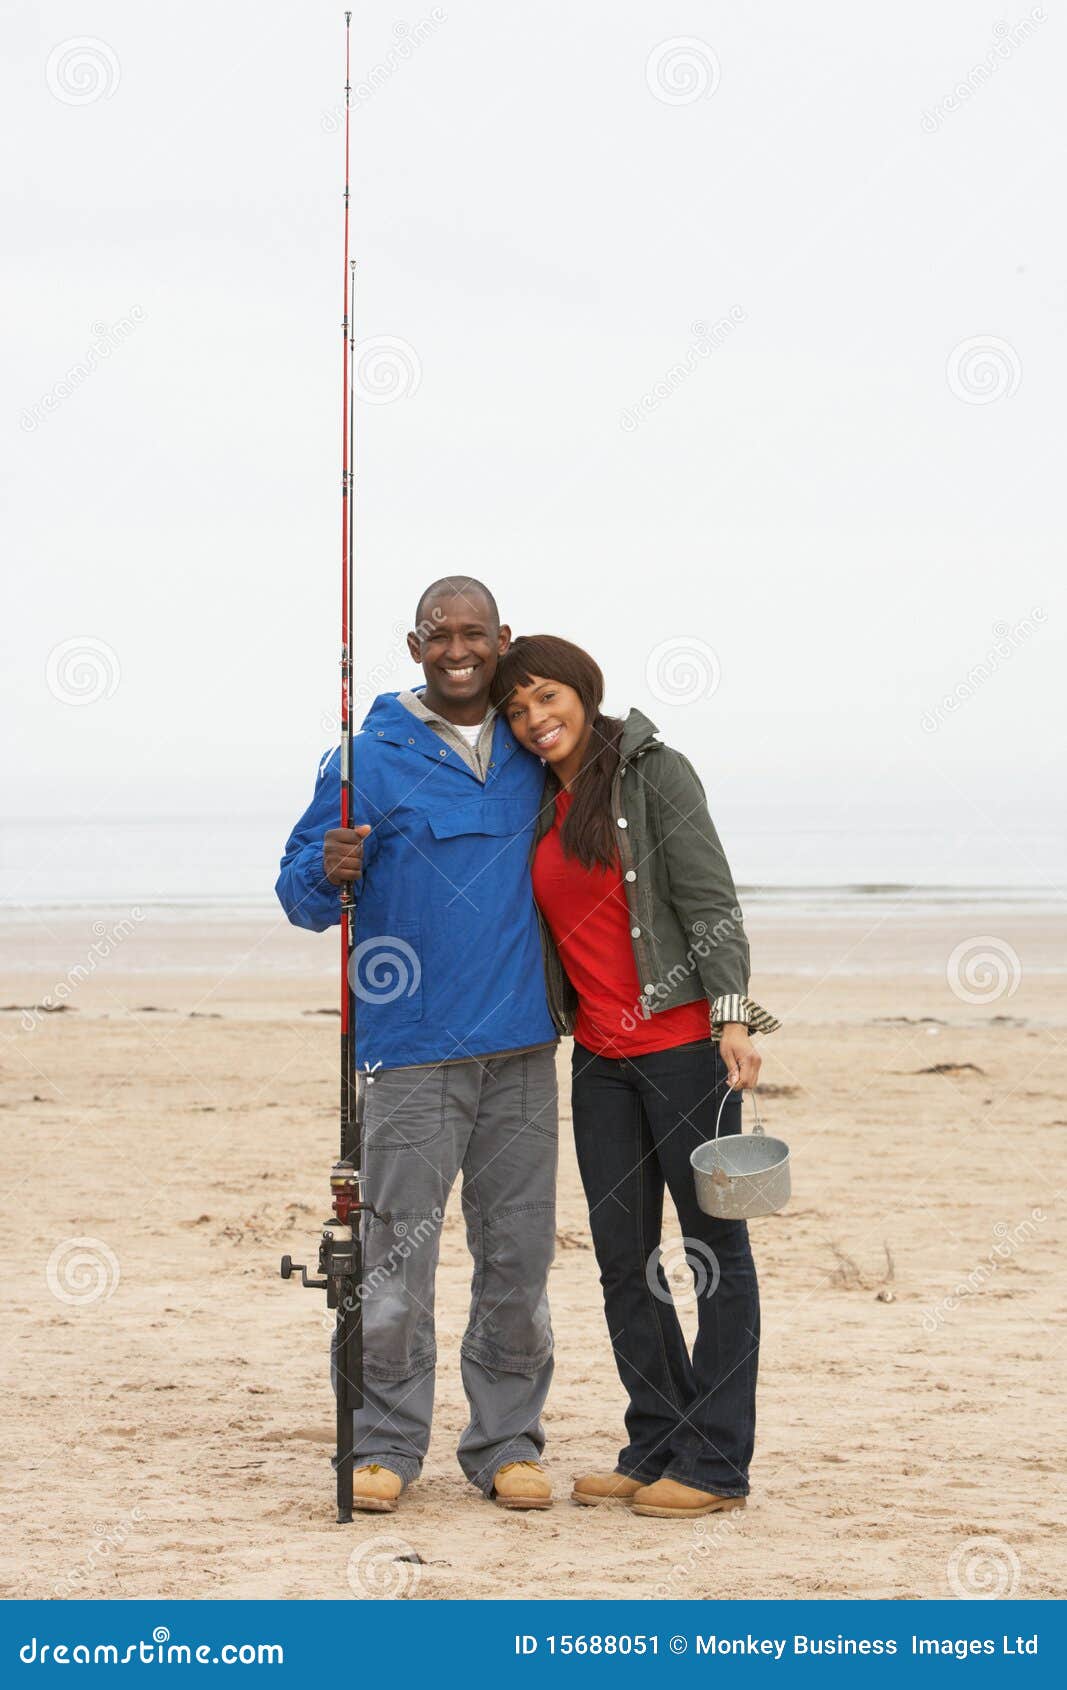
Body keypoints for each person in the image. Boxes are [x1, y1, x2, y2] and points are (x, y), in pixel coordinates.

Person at [276, 579, 569, 1514]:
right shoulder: (366, 759)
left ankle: (506, 1445)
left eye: (473, 633)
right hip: (408, 1052)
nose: (457, 648)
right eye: (438, 634)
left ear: (501, 640)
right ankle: (384, 1447)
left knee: (518, 1261)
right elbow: (298, 896)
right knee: (394, 1262)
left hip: (524, 1048)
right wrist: (328, 871)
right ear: (412, 645)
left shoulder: (535, 751)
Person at [491, 634, 780, 1520]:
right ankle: (656, 1438)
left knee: (713, 1255)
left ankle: (716, 1463)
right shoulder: (540, 799)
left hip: (684, 1050)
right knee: (624, 1261)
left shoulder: (655, 771)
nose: (535, 720)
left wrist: (732, 1011)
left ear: (582, 689)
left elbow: (709, 899)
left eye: (546, 697)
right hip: (601, 1062)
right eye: (516, 710)